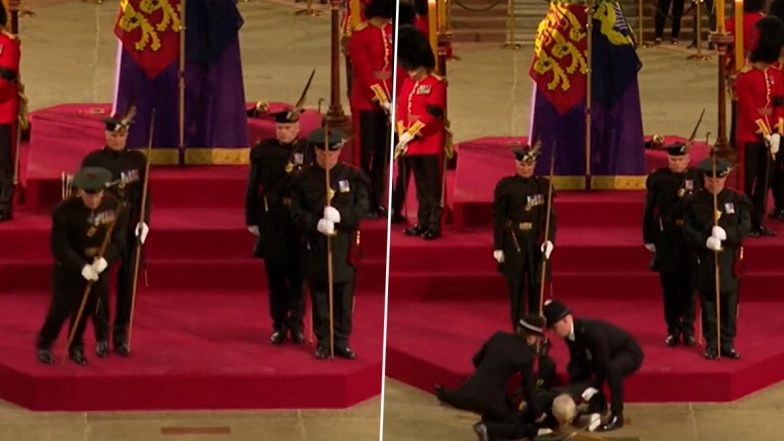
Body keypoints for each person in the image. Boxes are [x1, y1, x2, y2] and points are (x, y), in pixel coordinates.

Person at [289, 127, 370, 359]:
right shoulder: (303, 179)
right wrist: (316, 223)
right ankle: (324, 340)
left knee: (344, 296)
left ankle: (342, 339)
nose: (328, 158)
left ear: (340, 152)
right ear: (315, 152)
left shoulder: (352, 177)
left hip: (344, 246)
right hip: (316, 246)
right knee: (320, 295)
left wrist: (341, 217)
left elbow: (362, 207)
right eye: (323, 154)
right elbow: (296, 213)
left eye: (332, 154)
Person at [35, 167, 128, 365]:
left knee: (86, 310)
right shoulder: (64, 210)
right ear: (79, 192)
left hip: (98, 266)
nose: (94, 201)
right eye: (89, 196)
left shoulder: (113, 206)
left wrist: (105, 261)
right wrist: (82, 268)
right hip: (70, 268)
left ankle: (76, 346)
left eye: (98, 196)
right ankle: (44, 344)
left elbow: (118, 240)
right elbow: (59, 247)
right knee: (60, 309)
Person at [79, 110, 151, 357]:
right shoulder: (93, 161)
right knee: (99, 286)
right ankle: (101, 337)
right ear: (106, 134)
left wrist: (145, 222)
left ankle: (121, 337)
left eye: (122, 134)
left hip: (129, 230)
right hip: (104, 232)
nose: (118, 139)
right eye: (113, 134)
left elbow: (144, 196)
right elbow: (84, 199)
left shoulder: (138, 161)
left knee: (127, 285)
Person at [245, 108, 314, 345]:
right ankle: (279, 324)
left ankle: (297, 324)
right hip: (272, 220)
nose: (283, 132)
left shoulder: (308, 150)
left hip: (298, 221)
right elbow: (253, 188)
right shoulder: (263, 151)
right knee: (275, 277)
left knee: (298, 276)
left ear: (297, 129)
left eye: (288, 128)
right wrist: (252, 220)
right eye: (280, 128)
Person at [682, 157, 751, 360]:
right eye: (711, 181)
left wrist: (727, 235)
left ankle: (727, 342)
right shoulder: (694, 202)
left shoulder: (736, 200)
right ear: (704, 179)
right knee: (709, 302)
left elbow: (745, 227)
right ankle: (712, 342)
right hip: (705, 260)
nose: (715, 185)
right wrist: (705, 240)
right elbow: (687, 230)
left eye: (719, 181)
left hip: (729, 260)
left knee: (729, 303)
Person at [437, 316, 549, 440]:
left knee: (502, 414)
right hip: (491, 400)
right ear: (530, 337)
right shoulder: (526, 356)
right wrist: (537, 414)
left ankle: (487, 424)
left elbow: (476, 361)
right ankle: (487, 428)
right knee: (516, 427)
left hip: (469, 390)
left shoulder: (498, 336)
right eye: (537, 338)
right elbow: (528, 389)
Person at [542, 299, 644, 431]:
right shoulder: (570, 335)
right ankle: (598, 405)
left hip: (629, 352)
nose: (553, 333)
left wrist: (594, 387)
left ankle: (617, 415)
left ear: (566, 320)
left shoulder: (591, 330)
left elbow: (603, 361)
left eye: (554, 328)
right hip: (608, 356)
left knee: (612, 368)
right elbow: (578, 361)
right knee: (576, 370)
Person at [642, 143, 703, 346]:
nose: (676, 164)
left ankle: (688, 328)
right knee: (669, 287)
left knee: (689, 285)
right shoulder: (659, 179)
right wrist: (649, 239)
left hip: (690, 239)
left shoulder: (697, 177)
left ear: (687, 160)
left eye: (680, 160)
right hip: (667, 238)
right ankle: (673, 328)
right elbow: (649, 211)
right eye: (673, 160)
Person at [492, 144, 556, 328]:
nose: (525, 169)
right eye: (522, 165)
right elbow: (498, 218)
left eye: (529, 165)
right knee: (516, 287)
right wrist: (498, 246)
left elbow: (550, 217)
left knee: (536, 287)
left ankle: (535, 326)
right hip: (515, 242)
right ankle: (519, 327)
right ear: (516, 164)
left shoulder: (544, 186)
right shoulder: (505, 186)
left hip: (536, 243)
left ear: (534, 165)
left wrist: (549, 240)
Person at [395, 26, 447, 240]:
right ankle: (422, 221)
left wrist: (411, 134)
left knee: (432, 187)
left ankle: (434, 223)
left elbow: (433, 116)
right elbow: (401, 110)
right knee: (420, 185)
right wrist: (402, 135)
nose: (410, 73)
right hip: (411, 142)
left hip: (429, 141)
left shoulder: (436, 84)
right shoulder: (408, 83)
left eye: (413, 68)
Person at [734, 15, 784, 237]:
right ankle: (743, 220)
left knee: (764, 182)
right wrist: (765, 132)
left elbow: (779, 103)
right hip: (749, 135)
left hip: (769, 135)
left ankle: (758, 221)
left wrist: (777, 132)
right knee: (747, 180)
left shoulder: (776, 74)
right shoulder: (746, 77)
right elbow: (749, 110)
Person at [348, 0, 394, 218]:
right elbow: (364, 71)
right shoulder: (361, 34)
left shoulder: (390, 30)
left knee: (383, 154)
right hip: (366, 100)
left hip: (387, 98)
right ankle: (364, 200)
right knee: (365, 154)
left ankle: (377, 198)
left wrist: (394, 98)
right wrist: (382, 98)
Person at [0, 3, 20, 222]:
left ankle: (3, 204)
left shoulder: (9, 45)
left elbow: (5, 80)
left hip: (2, 111)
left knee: (2, 161)